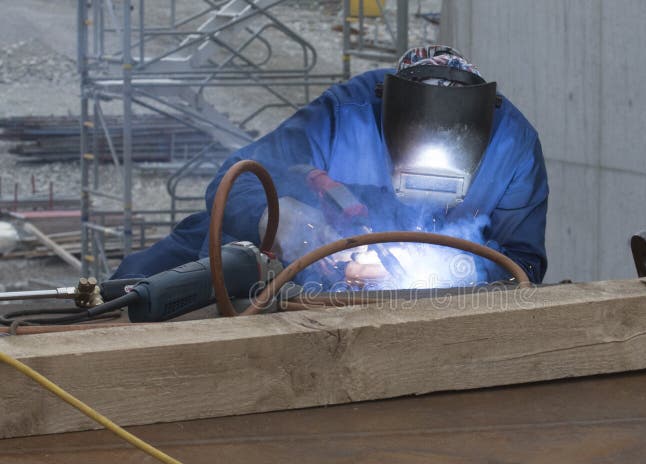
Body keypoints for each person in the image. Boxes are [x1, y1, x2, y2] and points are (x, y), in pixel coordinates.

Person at [112, 45, 549, 287]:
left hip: (433, 312)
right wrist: (279, 220)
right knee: (200, 255)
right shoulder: (350, 112)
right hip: (317, 270)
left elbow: (525, 264)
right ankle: (120, 296)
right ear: (388, 113)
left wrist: (450, 268)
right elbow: (236, 178)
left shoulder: (513, 146)